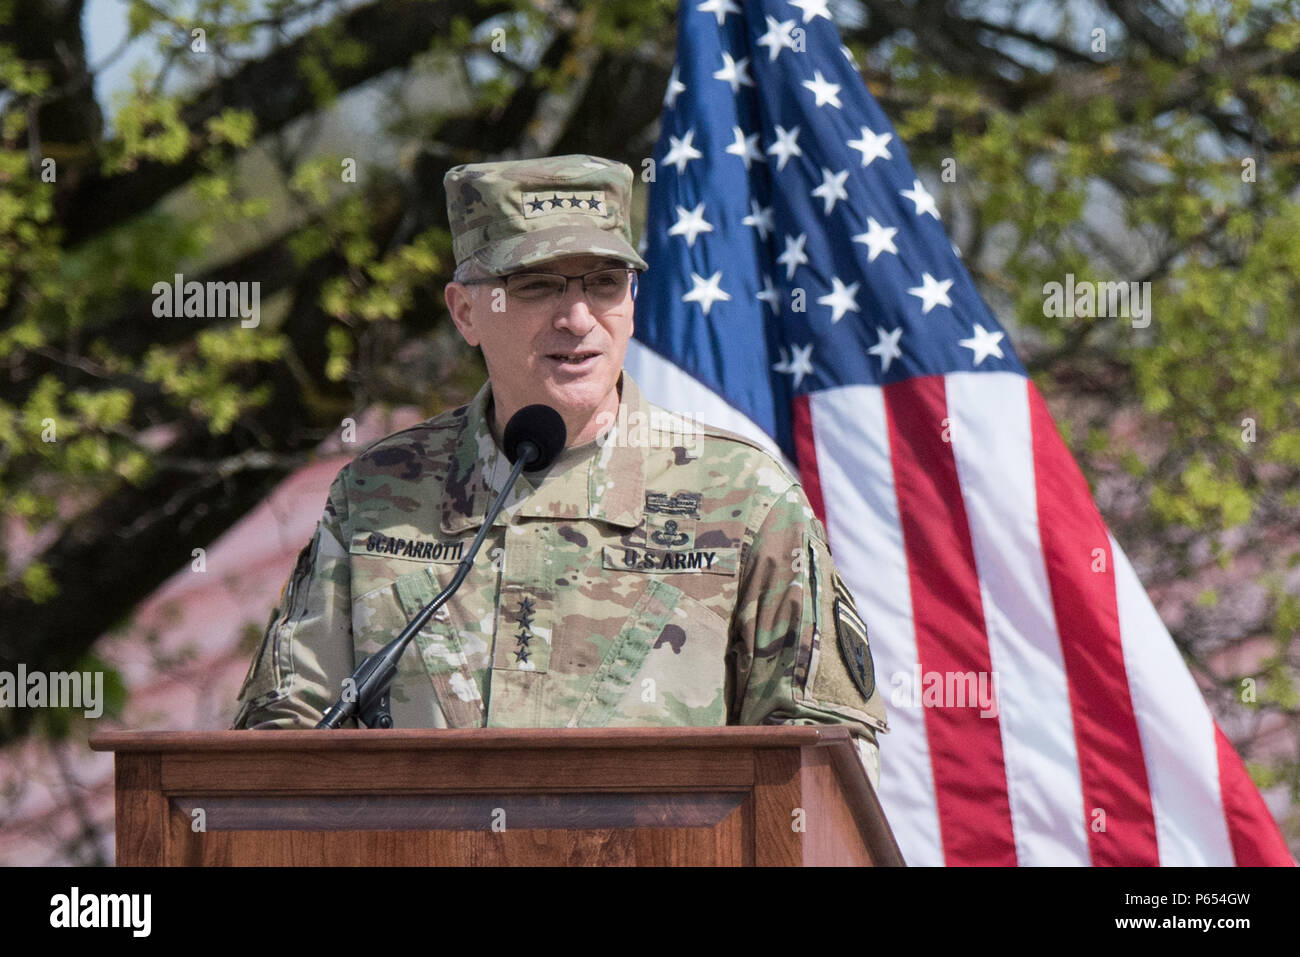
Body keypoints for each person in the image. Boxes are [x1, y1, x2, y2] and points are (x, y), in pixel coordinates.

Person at [232, 154, 888, 787]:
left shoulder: (743, 497)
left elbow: (825, 760)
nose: (577, 319)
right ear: (465, 311)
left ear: (632, 300)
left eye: (603, 283)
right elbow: (281, 735)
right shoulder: (379, 492)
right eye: (537, 285)